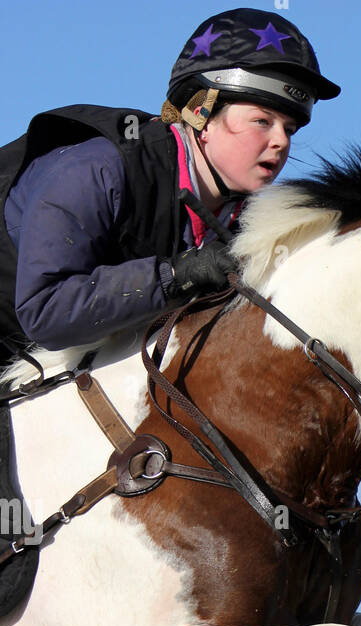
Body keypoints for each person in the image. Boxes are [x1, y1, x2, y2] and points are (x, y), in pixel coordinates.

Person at [0, 8, 340, 363]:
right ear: (201, 115)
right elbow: (45, 311)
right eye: (262, 121)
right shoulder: (98, 169)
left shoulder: (245, 221)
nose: (281, 142)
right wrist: (176, 275)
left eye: (289, 129)